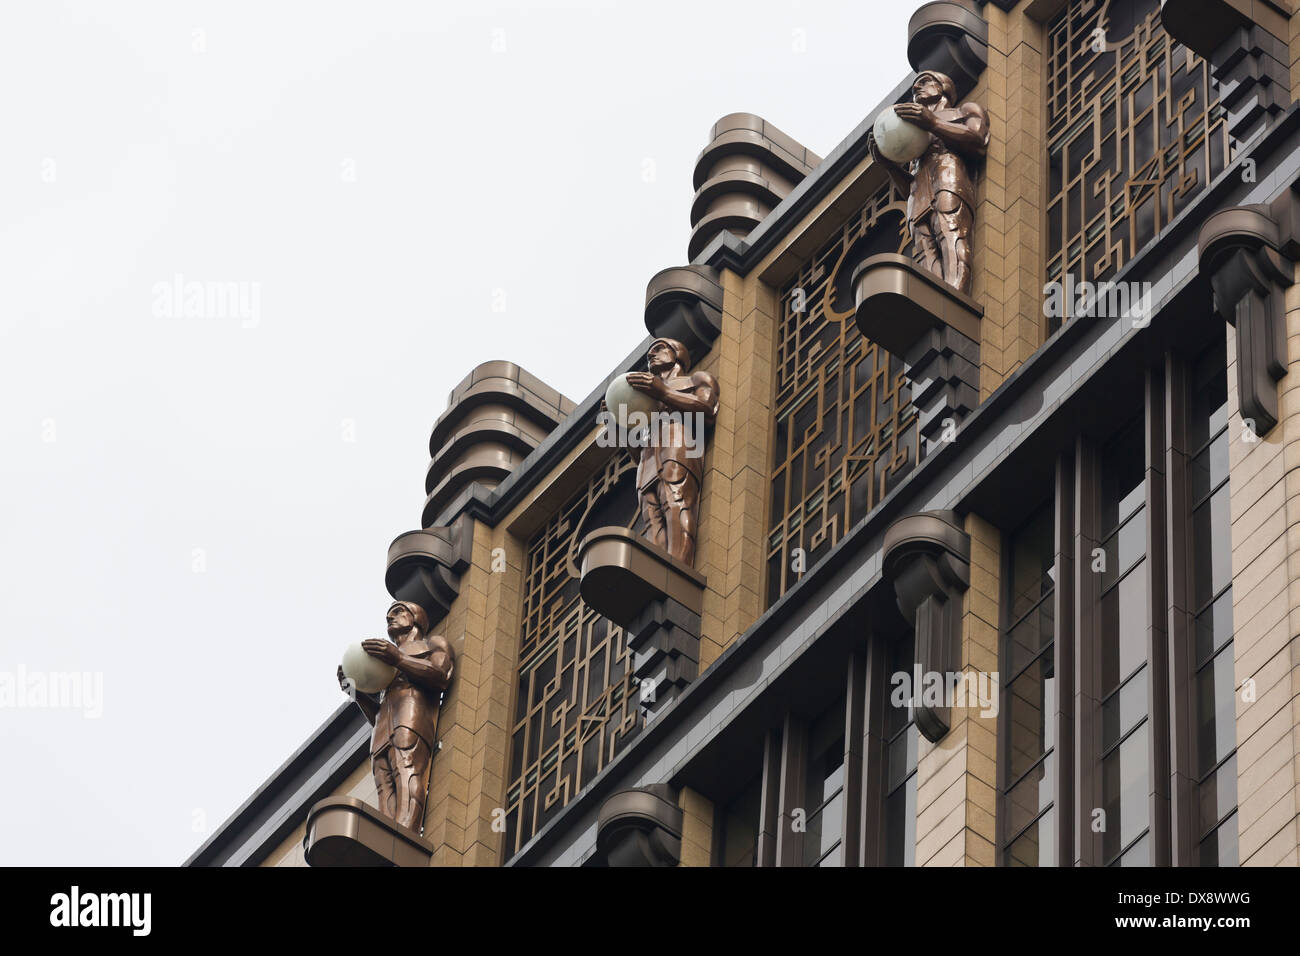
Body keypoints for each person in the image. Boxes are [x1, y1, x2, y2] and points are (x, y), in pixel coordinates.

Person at [868, 70, 989, 295]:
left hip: (947, 180)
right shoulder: (912, 133)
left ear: (942, 86)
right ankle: (936, 305)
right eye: (916, 84)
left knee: (951, 235)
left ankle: (955, 298)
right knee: (925, 252)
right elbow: (908, 187)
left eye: (924, 82)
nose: (916, 88)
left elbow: (978, 141)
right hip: (918, 196)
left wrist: (933, 123)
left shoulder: (964, 111)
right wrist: (889, 165)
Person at [336, 600, 454, 832]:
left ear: (416, 617)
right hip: (381, 732)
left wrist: (399, 659)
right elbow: (378, 712)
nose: (391, 617)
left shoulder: (432, 643)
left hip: (411, 719)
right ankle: (388, 840)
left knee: (407, 772)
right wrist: (354, 691)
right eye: (388, 615)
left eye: (398, 612)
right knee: (384, 789)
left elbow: (441, 676)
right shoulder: (384, 666)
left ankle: (404, 836)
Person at [624, 337, 719, 567]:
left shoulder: (696, 379)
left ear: (677, 354)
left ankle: (677, 570)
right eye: (650, 353)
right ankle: (657, 575)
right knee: (651, 521)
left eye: (658, 349)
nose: (651, 356)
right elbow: (637, 452)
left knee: (675, 504)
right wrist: (620, 423)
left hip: (677, 450)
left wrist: (664, 393)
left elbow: (707, 409)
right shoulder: (647, 404)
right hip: (647, 464)